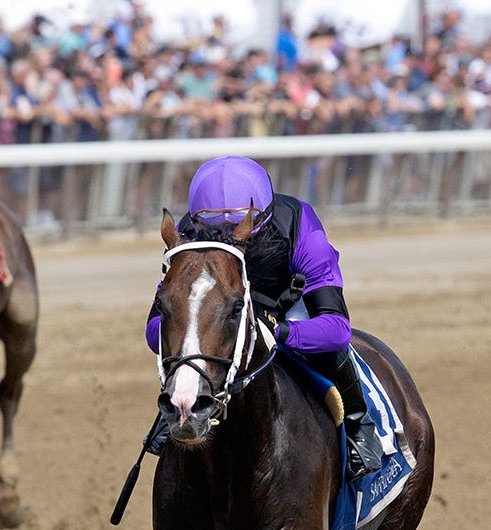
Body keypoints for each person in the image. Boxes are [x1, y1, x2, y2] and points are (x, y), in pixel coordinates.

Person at [145, 155, 384, 482]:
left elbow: (337, 330)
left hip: (286, 307)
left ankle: (358, 423)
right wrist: (185, 326)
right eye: (216, 227)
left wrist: (278, 330)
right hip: (224, 312)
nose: (226, 233)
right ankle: (177, 407)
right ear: (198, 221)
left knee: (327, 350)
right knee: (190, 337)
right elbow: (154, 330)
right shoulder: (187, 236)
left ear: (262, 217)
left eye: (236, 225)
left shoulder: (298, 224)